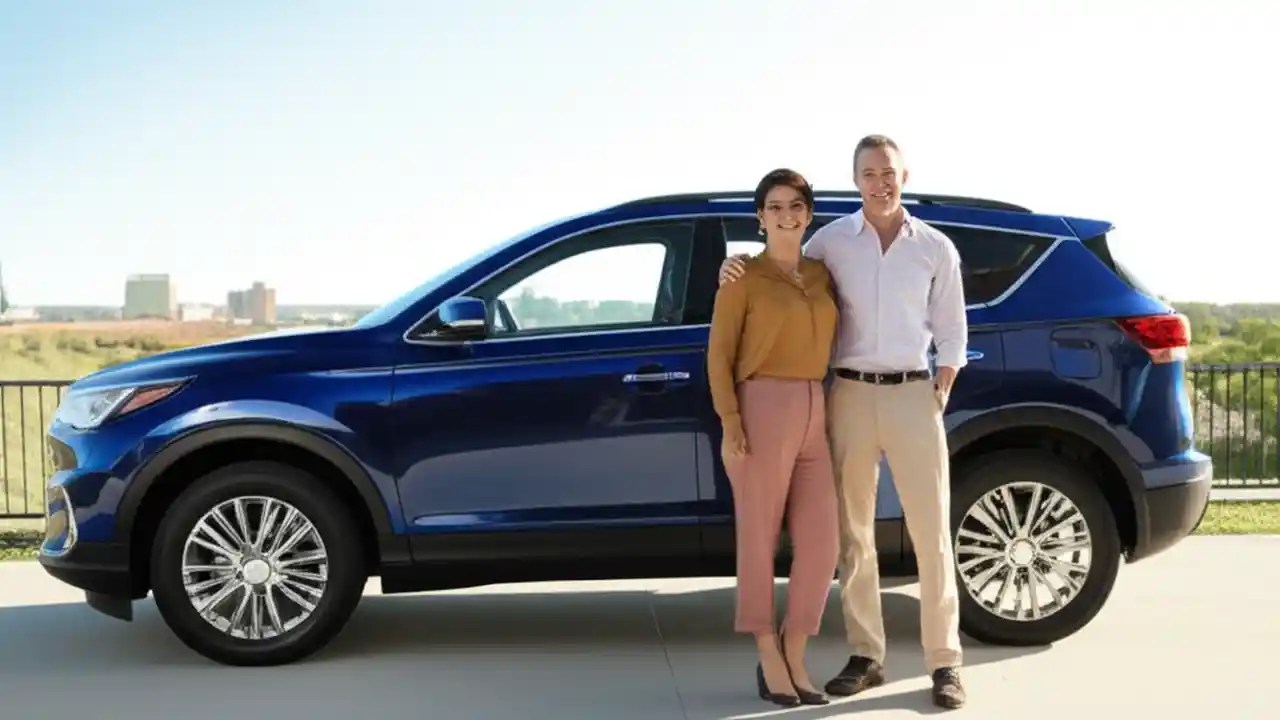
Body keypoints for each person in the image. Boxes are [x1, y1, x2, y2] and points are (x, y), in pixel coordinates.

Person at [718, 135, 968, 710]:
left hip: (912, 394)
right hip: (848, 394)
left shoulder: (934, 247)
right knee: (853, 534)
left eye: (888, 171)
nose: (879, 181)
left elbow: (951, 327)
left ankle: (944, 661)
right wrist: (729, 262)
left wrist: (944, 382)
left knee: (931, 534)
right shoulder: (831, 242)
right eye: (868, 173)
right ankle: (866, 655)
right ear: (854, 181)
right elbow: (781, 267)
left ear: (905, 174)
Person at [706, 168, 841, 708]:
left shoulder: (822, 273)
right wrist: (731, 423)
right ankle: (766, 650)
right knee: (759, 538)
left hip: (815, 406)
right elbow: (718, 354)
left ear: (808, 213)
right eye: (775, 206)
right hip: (761, 407)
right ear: (760, 218)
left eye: (796, 205)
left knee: (822, 541)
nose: (787, 214)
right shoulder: (742, 276)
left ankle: (795, 645)